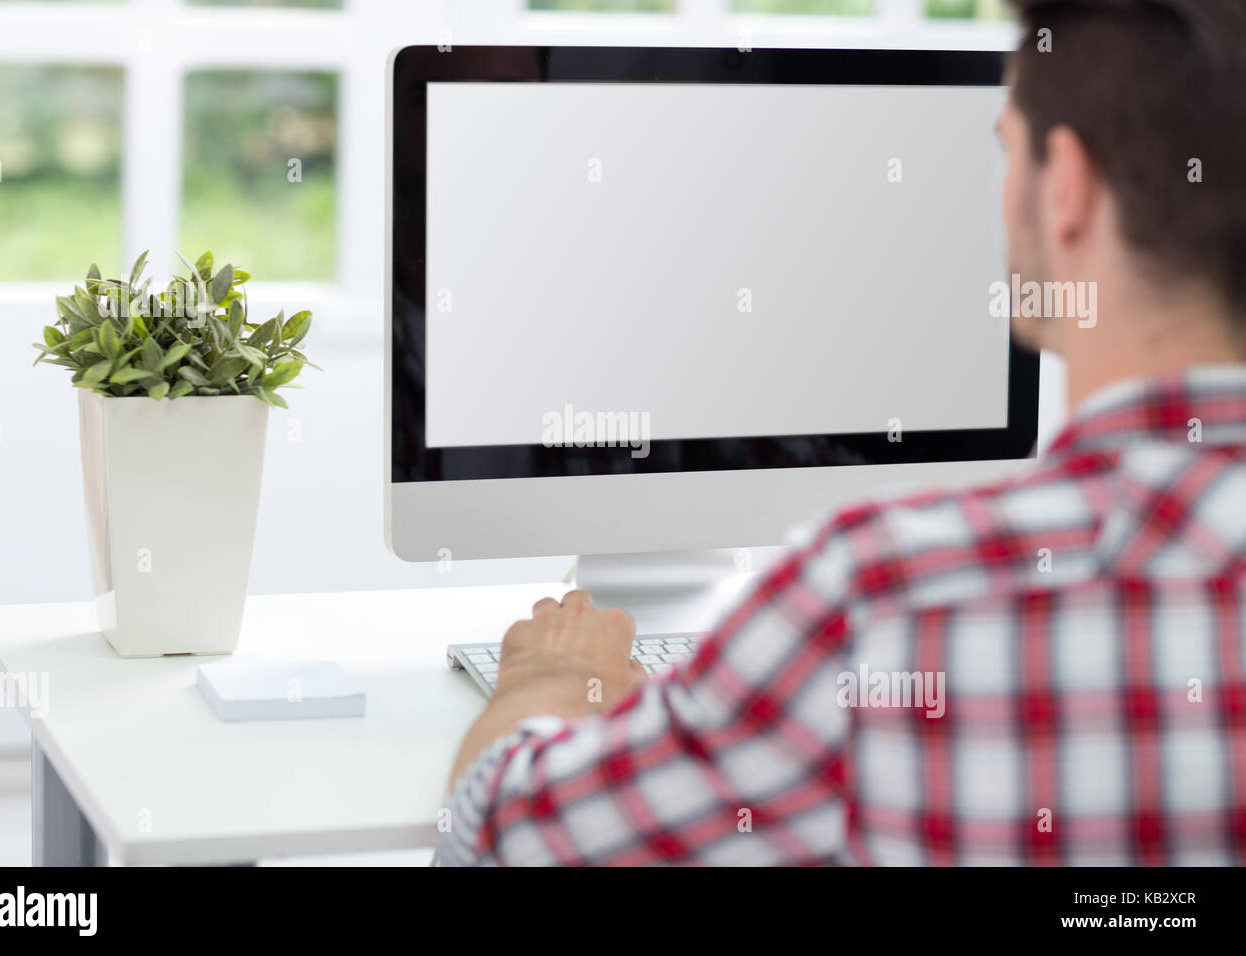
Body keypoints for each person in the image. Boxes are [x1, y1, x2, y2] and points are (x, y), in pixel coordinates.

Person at [437, 0, 1246, 865]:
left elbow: (499, 840)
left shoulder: (888, 599)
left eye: (1007, 151)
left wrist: (548, 676)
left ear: (1068, 190)